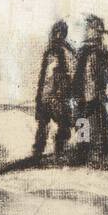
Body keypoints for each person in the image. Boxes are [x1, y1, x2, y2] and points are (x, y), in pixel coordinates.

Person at [72, 14, 108, 164]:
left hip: (91, 97)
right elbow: (75, 75)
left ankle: (93, 155)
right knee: (87, 127)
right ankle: (86, 155)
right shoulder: (84, 52)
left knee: (100, 129)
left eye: (99, 32)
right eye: (95, 31)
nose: (97, 34)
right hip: (85, 98)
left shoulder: (100, 52)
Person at [32, 20, 75, 161]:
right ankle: (55, 151)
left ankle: (41, 152)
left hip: (51, 96)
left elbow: (49, 76)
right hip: (53, 96)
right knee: (61, 123)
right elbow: (51, 75)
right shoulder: (63, 50)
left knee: (51, 124)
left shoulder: (58, 50)